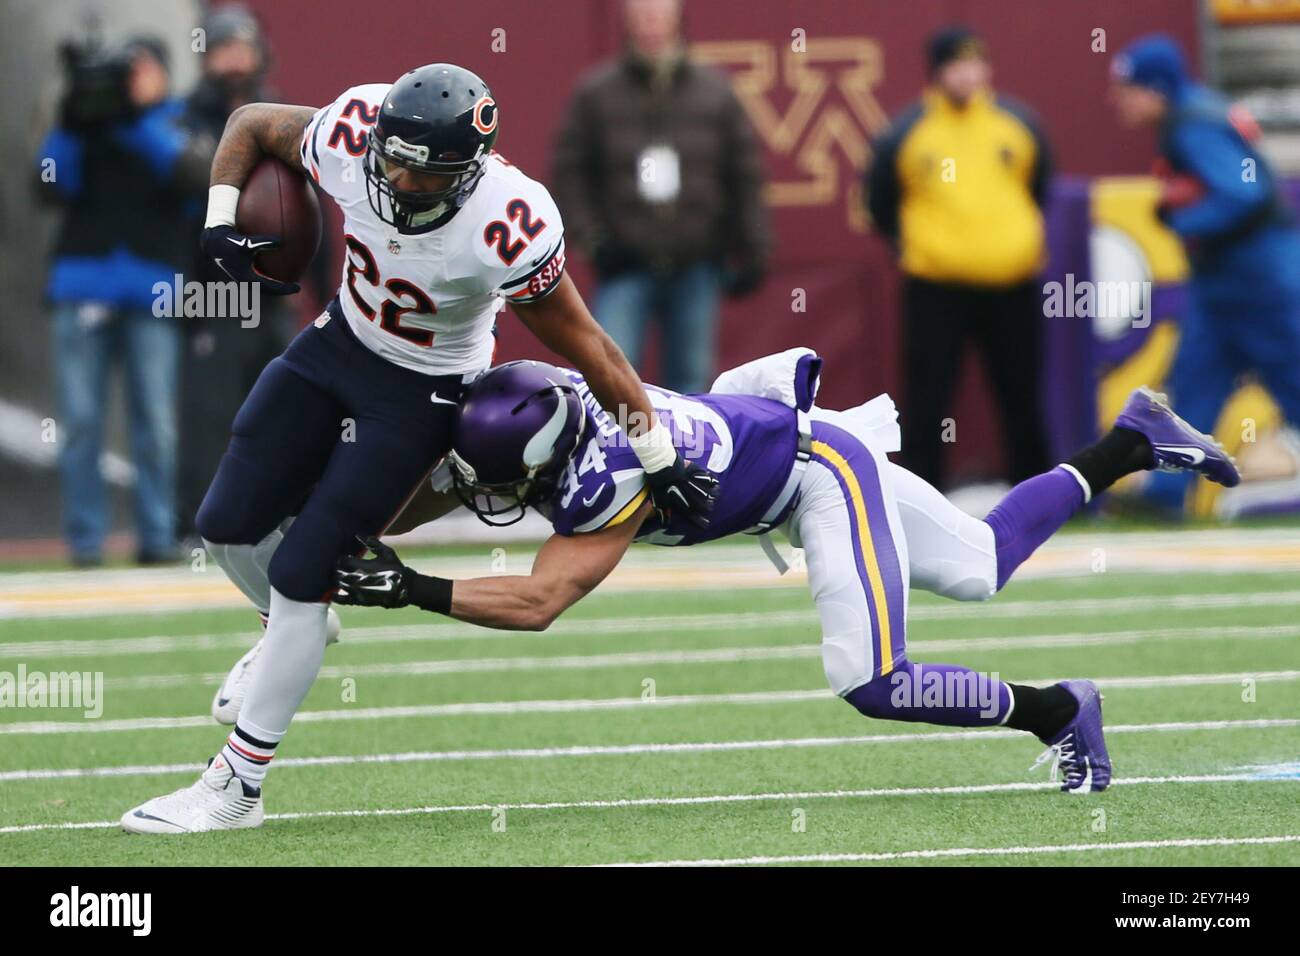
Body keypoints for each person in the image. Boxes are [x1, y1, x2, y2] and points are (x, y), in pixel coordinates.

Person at [185, 349, 1237, 831]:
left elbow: (541, 600)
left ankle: (1059, 709)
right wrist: (341, 530)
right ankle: (1129, 439)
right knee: (977, 562)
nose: (489, 495)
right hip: (780, 451)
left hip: (816, 476)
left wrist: (407, 587)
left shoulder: (602, 473)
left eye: (501, 481)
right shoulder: (544, 410)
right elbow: (447, 482)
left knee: (870, 676)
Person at [119, 62, 720, 834]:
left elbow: (594, 350)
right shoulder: (354, 127)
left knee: (309, 567)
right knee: (226, 522)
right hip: (340, 341)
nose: (395, 176)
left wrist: (660, 455)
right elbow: (252, 124)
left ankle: (236, 786)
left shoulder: (508, 224)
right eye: (390, 158)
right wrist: (218, 220)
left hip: (423, 391)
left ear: (466, 174)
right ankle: (286, 632)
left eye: (419, 170)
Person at [37, 37, 212, 565]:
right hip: (82, 286)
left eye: (139, 71)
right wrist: (72, 121)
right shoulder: (84, 127)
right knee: (81, 421)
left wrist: (134, 120)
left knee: (155, 421)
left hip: (154, 291)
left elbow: (194, 177)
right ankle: (85, 542)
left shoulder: (181, 123)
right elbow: (47, 183)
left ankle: (156, 537)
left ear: (163, 74)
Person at [1110, 34, 1300, 513]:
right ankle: (1167, 494)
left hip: (1256, 276)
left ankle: (1168, 492)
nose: (1118, 100)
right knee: (1194, 381)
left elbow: (1244, 194)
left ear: (1153, 87)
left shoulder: (1192, 123)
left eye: (1127, 89)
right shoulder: (1193, 113)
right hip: (1225, 279)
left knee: (1293, 377)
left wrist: (1180, 219)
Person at [866, 26, 1052, 490]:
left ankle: (1040, 496)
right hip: (937, 287)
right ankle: (920, 496)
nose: (969, 74)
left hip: (1009, 284)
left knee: (1021, 395)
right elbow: (880, 204)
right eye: (957, 64)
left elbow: (1040, 186)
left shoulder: (1017, 124)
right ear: (938, 72)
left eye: (977, 63)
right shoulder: (909, 131)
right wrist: (923, 245)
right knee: (927, 399)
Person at [552, 0, 769, 394]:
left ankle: (684, 457)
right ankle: (616, 455)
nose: (652, 27)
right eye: (643, 17)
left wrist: (752, 247)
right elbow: (569, 174)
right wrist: (594, 241)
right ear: (628, 24)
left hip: (696, 263)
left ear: (677, 21)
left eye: (659, 17)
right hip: (624, 264)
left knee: (690, 383)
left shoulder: (715, 91)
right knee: (611, 376)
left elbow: (744, 174)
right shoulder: (596, 93)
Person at [177, 4, 297, 544]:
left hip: (272, 289)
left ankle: (278, 518)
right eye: (223, 49)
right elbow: (176, 206)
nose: (234, 60)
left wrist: (315, 281)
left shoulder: (277, 114)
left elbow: (303, 204)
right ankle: (200, 528)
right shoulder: (187, 121)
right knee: (210, 413)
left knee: (284, 408)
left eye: (242, 48)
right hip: (214, 291)